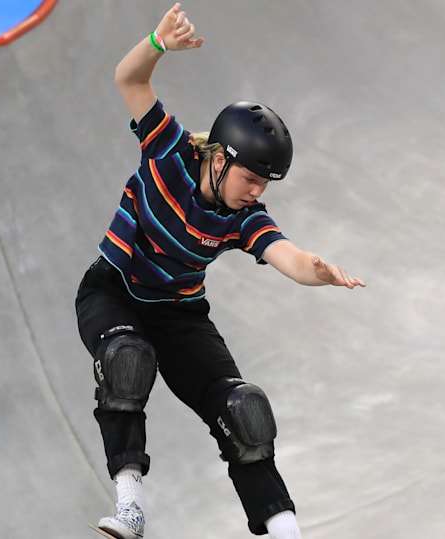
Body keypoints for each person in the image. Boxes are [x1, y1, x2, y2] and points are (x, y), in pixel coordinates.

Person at [74, 4, 365, 538]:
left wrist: (316, 270)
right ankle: (131, 506)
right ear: (219, 158)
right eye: (251, 177)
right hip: (112, 292)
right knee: (126, 361)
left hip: (181, 316)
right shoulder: (170, 151)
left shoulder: (243, 217)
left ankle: (288, 533)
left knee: (244, 411)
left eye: (266, 183)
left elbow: (287, 256)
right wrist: (158, 44)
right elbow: (128, 77)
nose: (257, 191)